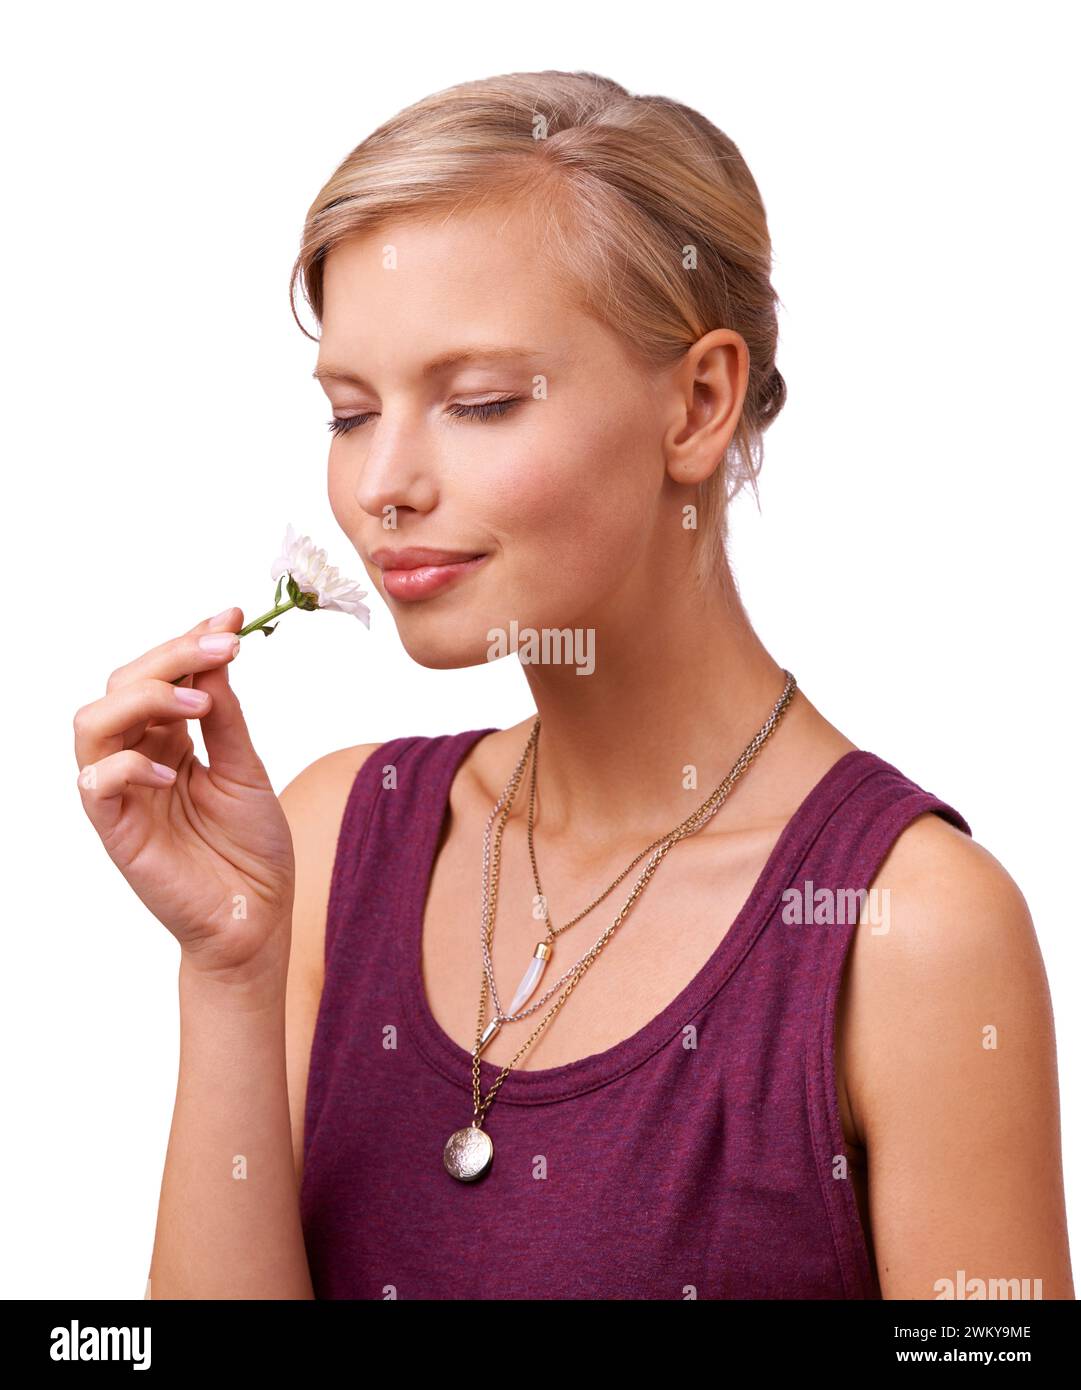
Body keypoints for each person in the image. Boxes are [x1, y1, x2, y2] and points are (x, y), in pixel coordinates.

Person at [74, 70, 1073, 1300]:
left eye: (480, 403)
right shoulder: (334, 840)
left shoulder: (906, 929)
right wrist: (228, 973)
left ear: (698, 404)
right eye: (347, 413)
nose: (383, 481)